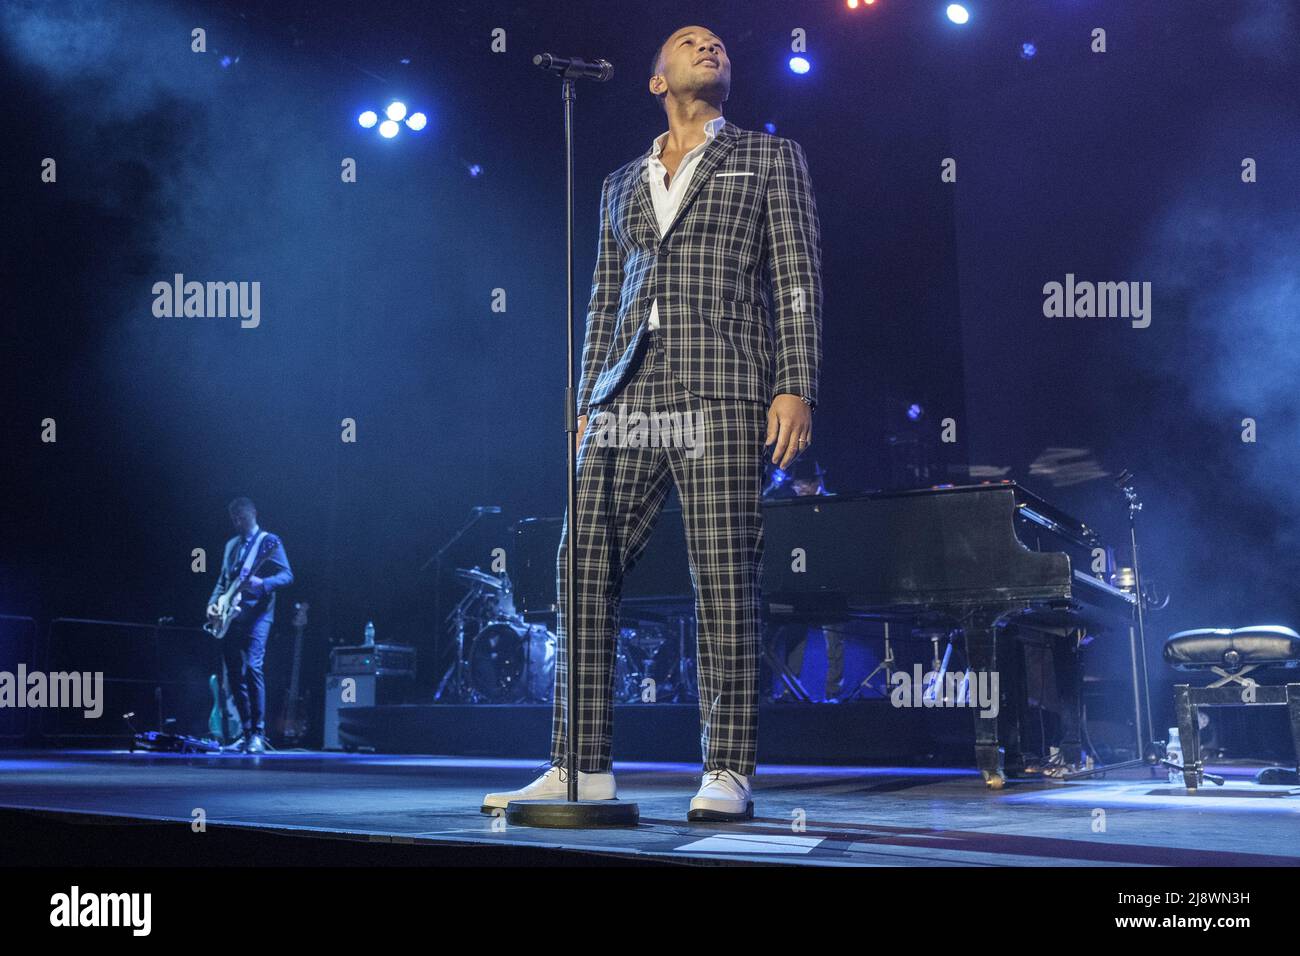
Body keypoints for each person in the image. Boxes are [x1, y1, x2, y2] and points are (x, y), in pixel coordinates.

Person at [484, 24, 822, 821]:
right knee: (581, 565)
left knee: (723, 577)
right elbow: (606, 298)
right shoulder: (618, 183)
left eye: (719, 43)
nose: (711, 47)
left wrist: (796, 385)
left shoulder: (770, 157)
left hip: (724, 388)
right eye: (689, 41)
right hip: (625, 394)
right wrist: (585, 401)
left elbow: (797, 280)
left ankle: (728, 770)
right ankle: (580, 767)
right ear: (655, 79)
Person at [206, 496, 293, 753]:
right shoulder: (231, 544)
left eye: (242, 516)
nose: (238, 522)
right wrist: (213, 604)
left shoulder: (269, 541)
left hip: (259, 615)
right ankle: (244, 731)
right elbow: (223, 580)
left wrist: (263, 584)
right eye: (234, 518)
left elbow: (288, 574)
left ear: (253, 513)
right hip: (232, 615)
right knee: (234, 672)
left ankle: (258, 732)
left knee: (254, 667)